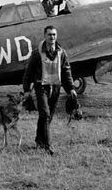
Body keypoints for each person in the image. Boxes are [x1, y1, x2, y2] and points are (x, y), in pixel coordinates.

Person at [23, 25, 77, 155]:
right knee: (45, 114)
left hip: (56, 87)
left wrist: (71, 89)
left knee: (47, 117)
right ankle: (48, 146)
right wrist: (26, 90)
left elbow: (66, 71)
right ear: (45, 36)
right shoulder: (37, 53)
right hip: (41, 87)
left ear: (56, 36)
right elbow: (28, 72)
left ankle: (39, 140)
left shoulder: (61, 52)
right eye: (49, 35)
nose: (52, 37)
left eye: (54, 35)